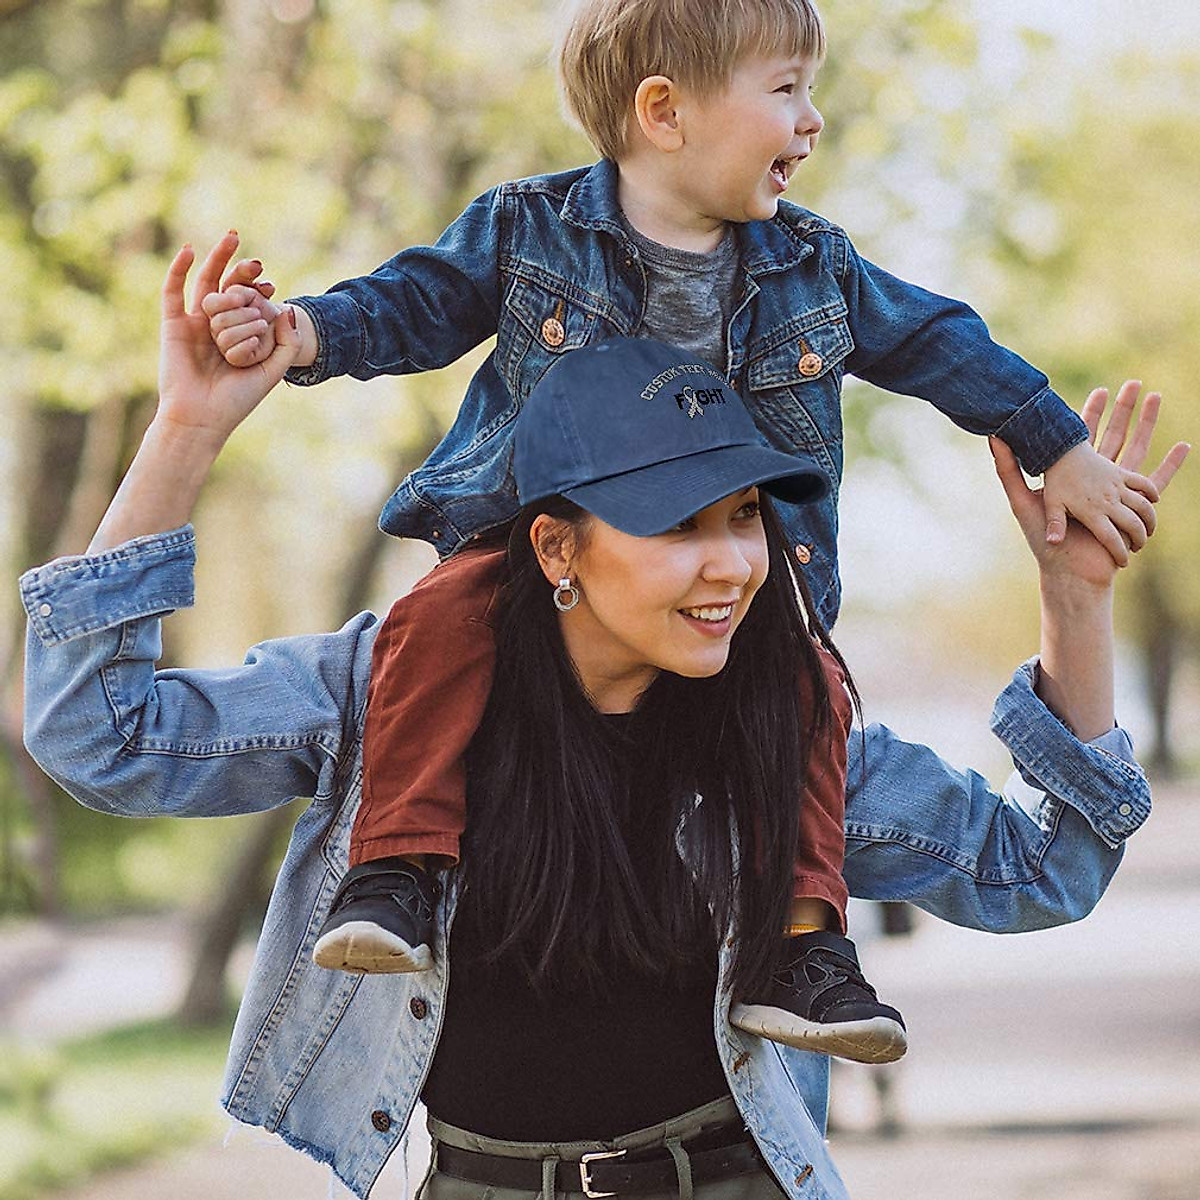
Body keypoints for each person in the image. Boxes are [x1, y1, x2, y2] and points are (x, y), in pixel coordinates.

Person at [21, 242, 1188, 1200]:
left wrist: (1073, 600)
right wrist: (184, 433)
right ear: (557, 547)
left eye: (746, 517)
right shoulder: (389, 696)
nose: (732, 563)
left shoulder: (783, 735)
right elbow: (101, 738)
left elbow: (1046, 869)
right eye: (679, 524)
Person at [196, 0, 1161, 1034]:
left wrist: (1057, 443)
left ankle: (799, 950)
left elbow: (938, 341)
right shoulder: (529, 229)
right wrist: (301, 333)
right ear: (665, 111)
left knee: (808, 693)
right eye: (785, 89)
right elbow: (415, 302)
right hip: (534, 563)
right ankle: (400, 874)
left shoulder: (814, 266)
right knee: (431, 626)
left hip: (737, 596)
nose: (813, 118)